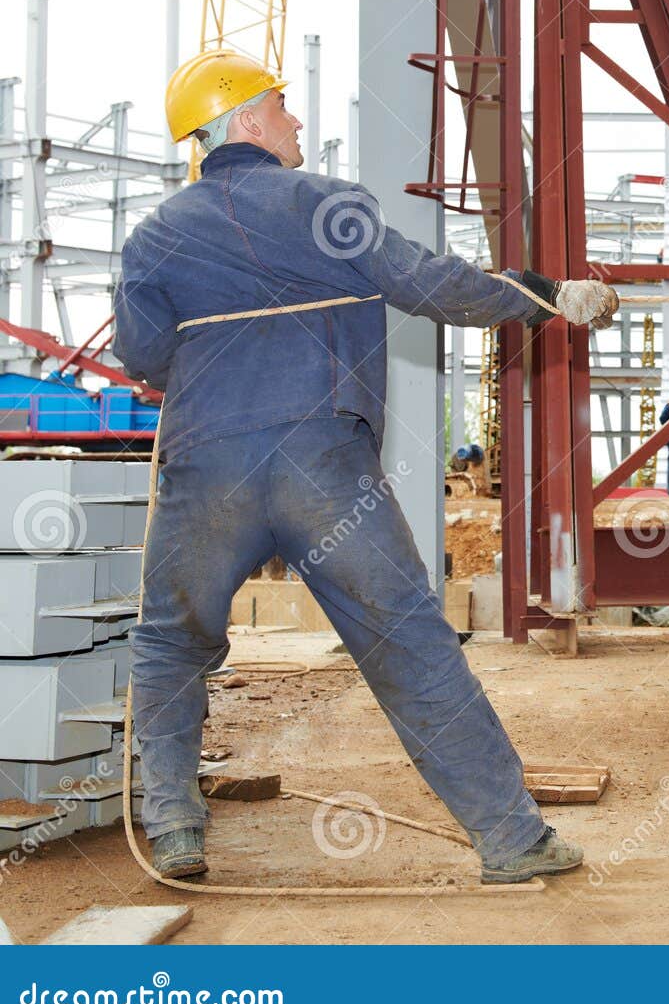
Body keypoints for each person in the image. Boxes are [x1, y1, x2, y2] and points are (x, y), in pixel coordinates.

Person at [113, 49, 619, 885]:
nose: (296, 119)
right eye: (282, 106)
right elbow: (432, 286)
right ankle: (513, 841)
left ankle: (173, 831)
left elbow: (145, 356)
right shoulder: (323, 205)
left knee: (171, 644)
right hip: (325, 470)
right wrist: (541, 294)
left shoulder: (156, 235)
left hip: (208, 468)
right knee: (409, 640)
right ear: (245, 122)